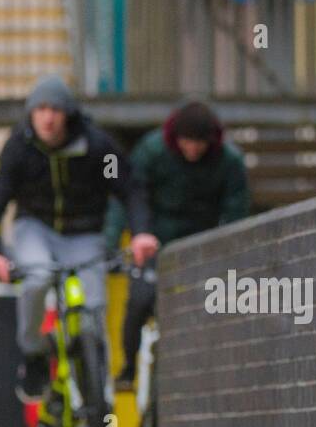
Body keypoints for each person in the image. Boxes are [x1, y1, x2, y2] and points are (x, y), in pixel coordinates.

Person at [0, 74, 157, 399]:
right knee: (37, 278)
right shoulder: (19, 147)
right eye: (41, 109)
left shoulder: (98, 147)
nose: (48, 117)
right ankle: (33, 353)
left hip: (85, 234)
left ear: (68, 114)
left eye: (56, 110)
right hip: (35, 230)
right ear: (31, 113)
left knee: (94, 313)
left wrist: (141, 233)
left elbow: (130, 190)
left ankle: (101, 413)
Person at [105, 99, 249, 388]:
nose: (193, 150)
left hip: (200, 243)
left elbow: (236, 210)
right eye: (187, 142)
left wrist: (232, 250)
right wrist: (112, 243)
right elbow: (130, 197)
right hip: (155, 240)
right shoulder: (152, 151)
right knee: (140, 300)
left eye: (199, 144)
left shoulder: (229, 161)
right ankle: (129, 367)